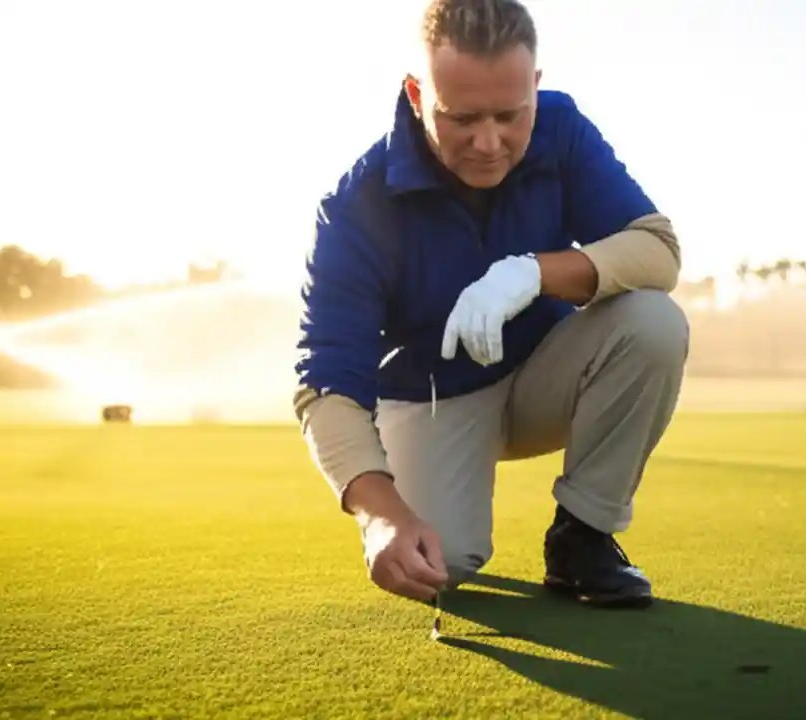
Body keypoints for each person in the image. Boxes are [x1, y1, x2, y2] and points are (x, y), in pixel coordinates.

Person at [293, 0, 688, 609]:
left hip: (544, 379)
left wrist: (531, 273)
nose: (489, 143)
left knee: (653, 321)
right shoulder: (357, 204)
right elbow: (326, 379)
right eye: (461, 118)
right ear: (416, 94)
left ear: (535, 86)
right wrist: (382, 518)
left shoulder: (562, 127)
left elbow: (657, 250)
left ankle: (583, 539)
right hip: (431, 399)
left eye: (510, 115)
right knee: (437, 562)